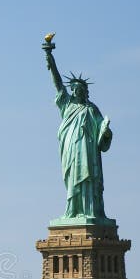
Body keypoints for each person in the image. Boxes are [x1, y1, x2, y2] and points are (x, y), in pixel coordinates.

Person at [43, 38, 112, 221]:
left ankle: (92, 211)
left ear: (84, 91)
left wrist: (105, 132)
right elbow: (57, 83)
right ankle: (73, 210)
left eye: (78, 90)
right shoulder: (67, 105)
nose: (74, 93)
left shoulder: (91, 109)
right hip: (71, 149)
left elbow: (101, 133)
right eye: (72, 90)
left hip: (88, 151)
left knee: (89, 179)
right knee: (73, 178)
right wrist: (50, 57)